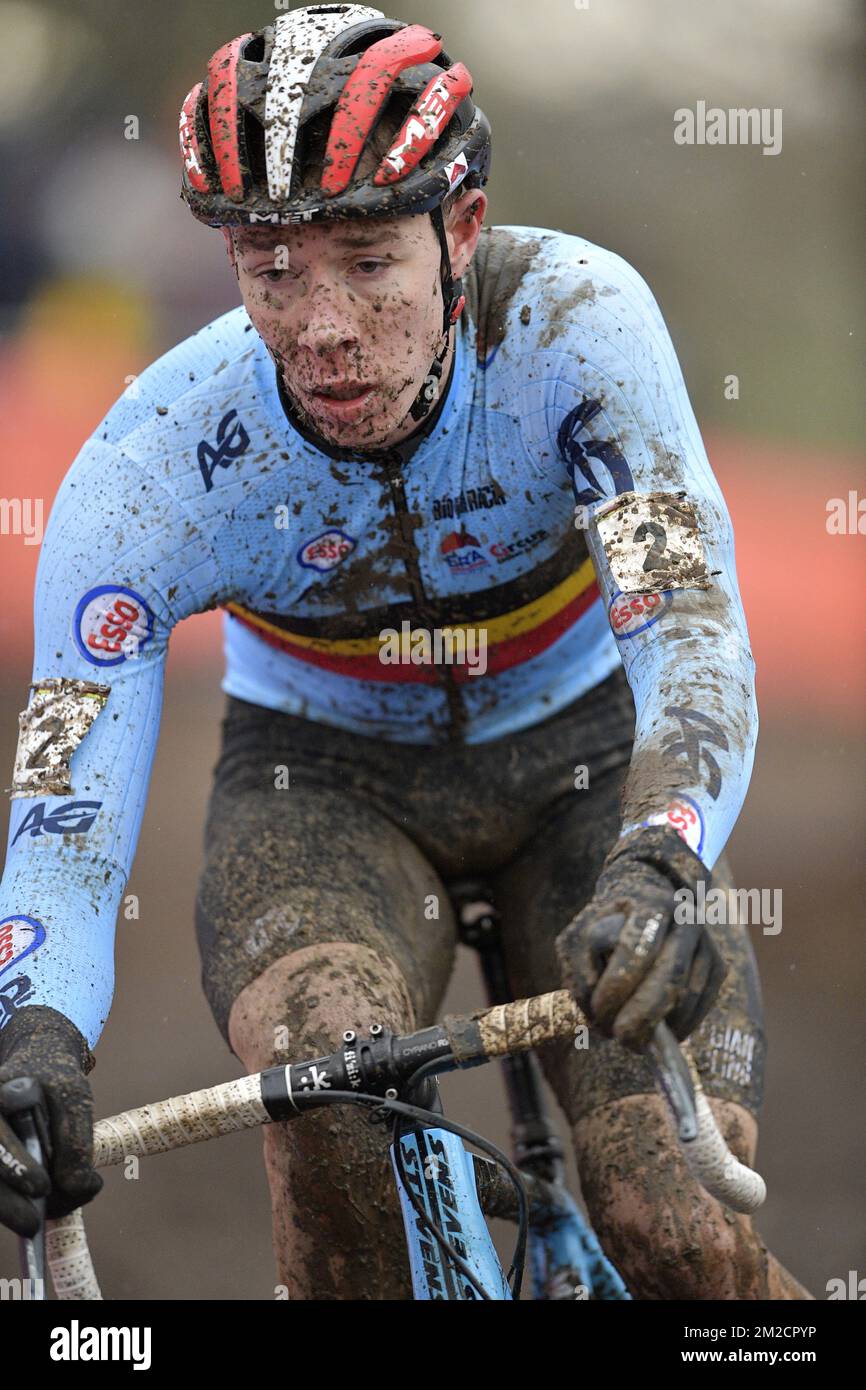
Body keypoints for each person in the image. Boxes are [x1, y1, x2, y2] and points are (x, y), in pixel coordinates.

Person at [0, 5, 811, 1299]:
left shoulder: (575, 326)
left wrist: (661, 849)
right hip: (322, 794)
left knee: (679, 1231)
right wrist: (35, 1021)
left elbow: (691, 629)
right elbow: (65, 786)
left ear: (464, 232)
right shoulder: (154, 468)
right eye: (269, 270)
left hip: (587, 771)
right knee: (330, 1099)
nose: (320, 326)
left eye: (369, 263)